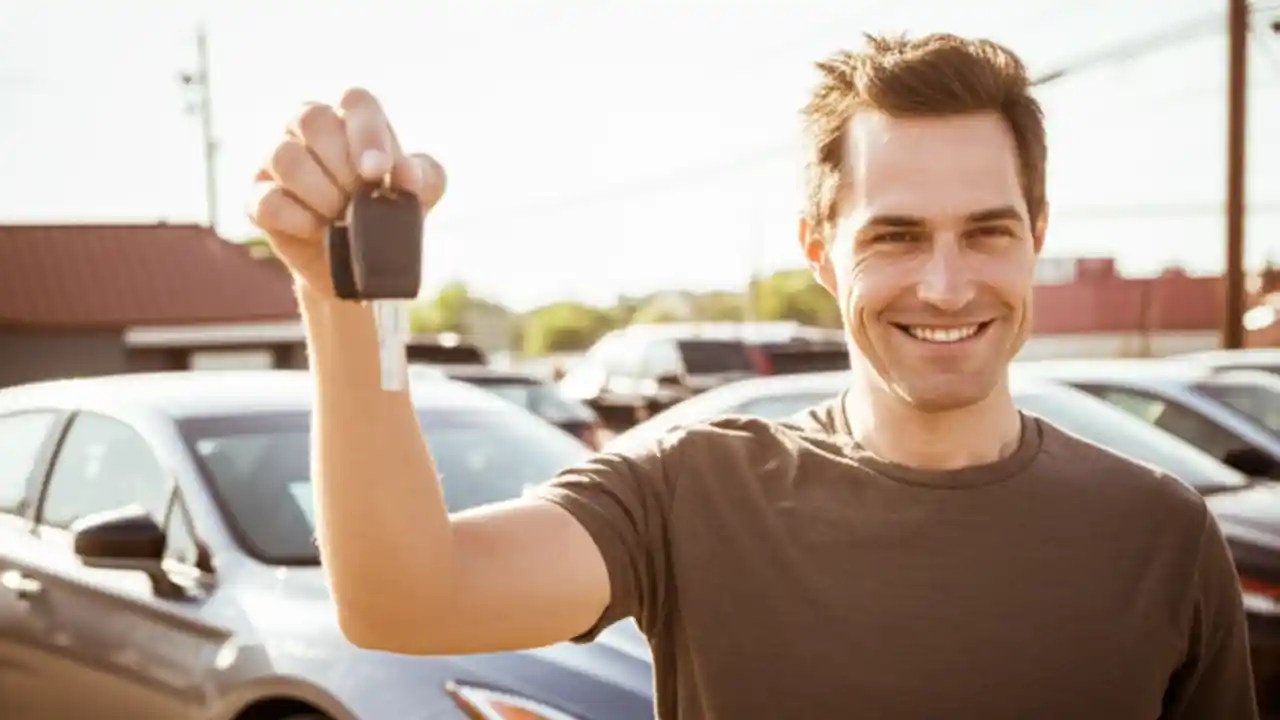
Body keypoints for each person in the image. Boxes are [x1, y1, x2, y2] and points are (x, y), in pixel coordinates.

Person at [249, 32, 1257, 720]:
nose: (946, 285)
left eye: (986, 232)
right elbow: (404, 600)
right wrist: (343, 303)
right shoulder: (692, 490)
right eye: (896, 236)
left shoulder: (1160, 531)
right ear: (819, 251)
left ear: (1035, 234)